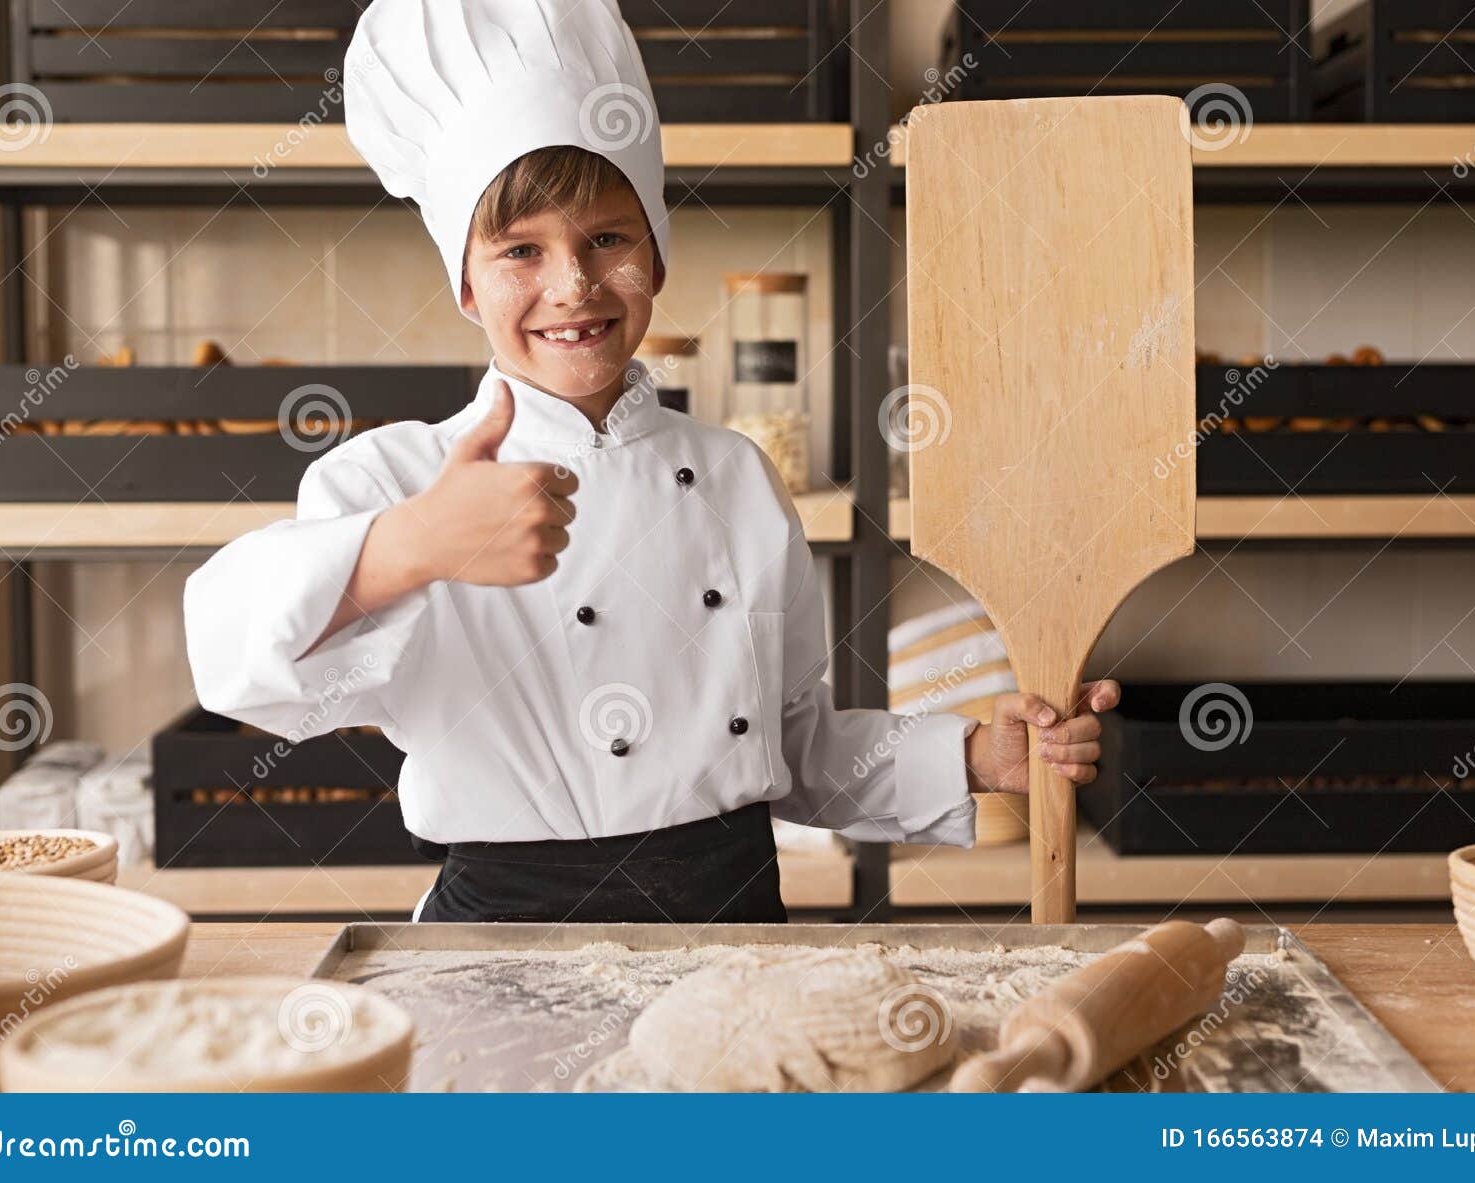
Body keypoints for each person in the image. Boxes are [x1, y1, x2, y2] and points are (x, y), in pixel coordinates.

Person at [183, 0, 1118, 924]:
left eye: (607, 237)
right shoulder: (392, 483)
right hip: (508, 947)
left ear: (658, 256)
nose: (573, 286)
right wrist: (409, 548)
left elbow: (793, 746)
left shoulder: (739, 478)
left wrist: (972, 759)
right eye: (520, 250)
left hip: (736, 929)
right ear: (466, 284)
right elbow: (234, 656)